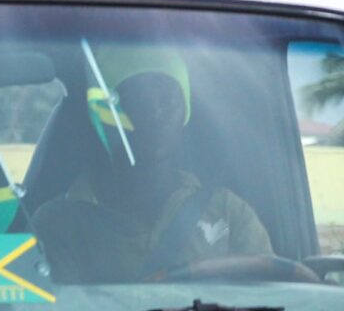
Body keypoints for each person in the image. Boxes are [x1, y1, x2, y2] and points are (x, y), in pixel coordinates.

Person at [33, 46, 274, 282]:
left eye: (169, 97)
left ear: (185, 110)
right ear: (107, 114)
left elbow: (271, 301)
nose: (156, 112)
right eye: (136, 98)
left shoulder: (228, 212)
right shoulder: (58, 225)